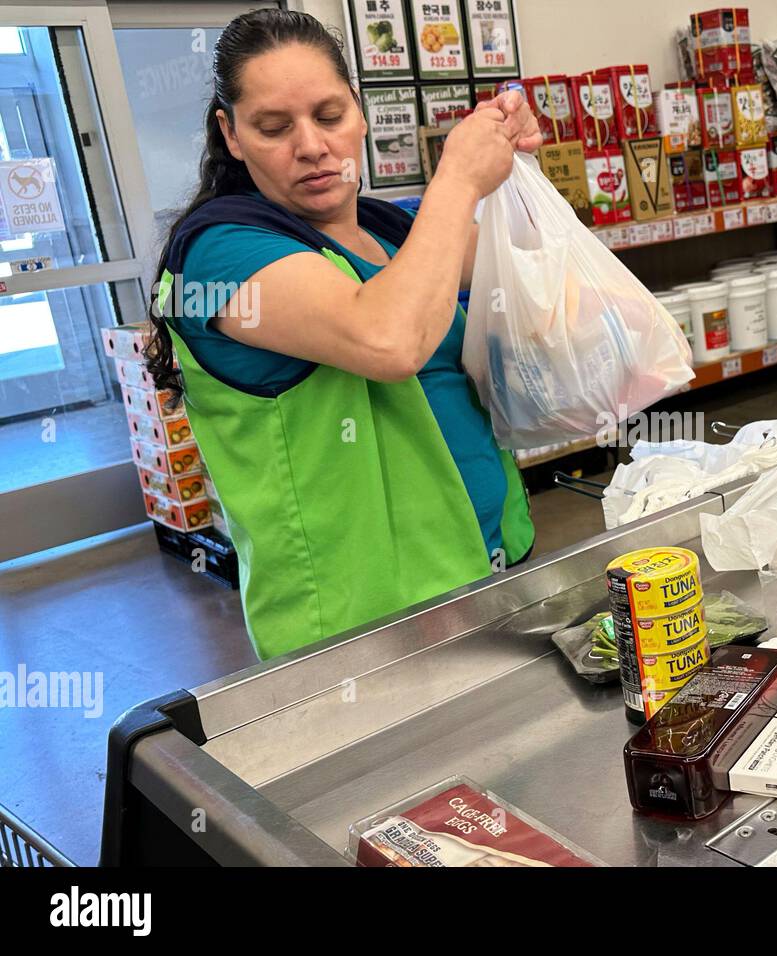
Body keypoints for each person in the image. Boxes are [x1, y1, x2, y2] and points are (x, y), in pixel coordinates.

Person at [145, 9, 540, 659]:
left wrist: (515, 152)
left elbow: (536, 270)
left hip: (489, 566)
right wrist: (459, 177)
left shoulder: (389, 230)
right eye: (273, 127)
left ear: (358, 113)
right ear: (231, 134)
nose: (310, 145)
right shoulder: (218, 256)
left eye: (329, 116)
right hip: (365, 626)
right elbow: (388, 340)